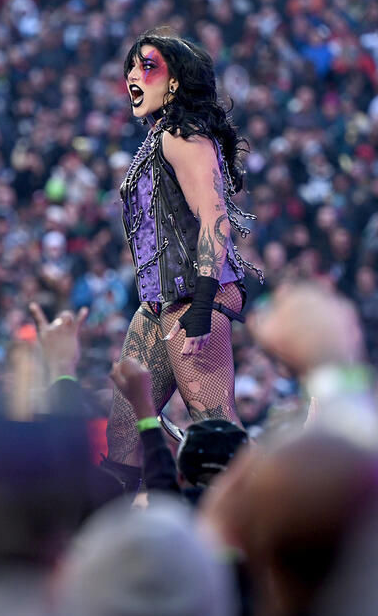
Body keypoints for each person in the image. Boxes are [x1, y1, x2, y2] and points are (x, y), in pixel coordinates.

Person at [102, 29, 261, 488]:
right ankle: (124, 524)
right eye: (131, 66)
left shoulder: (182, 135)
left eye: (147, 65)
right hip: (160, 302)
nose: (133, 74)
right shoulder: (158, 138)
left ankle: (251, 527)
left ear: (175, 83)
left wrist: (204, 306)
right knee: (124, 429)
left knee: (215, 429)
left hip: (194, 296)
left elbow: (213, 220)